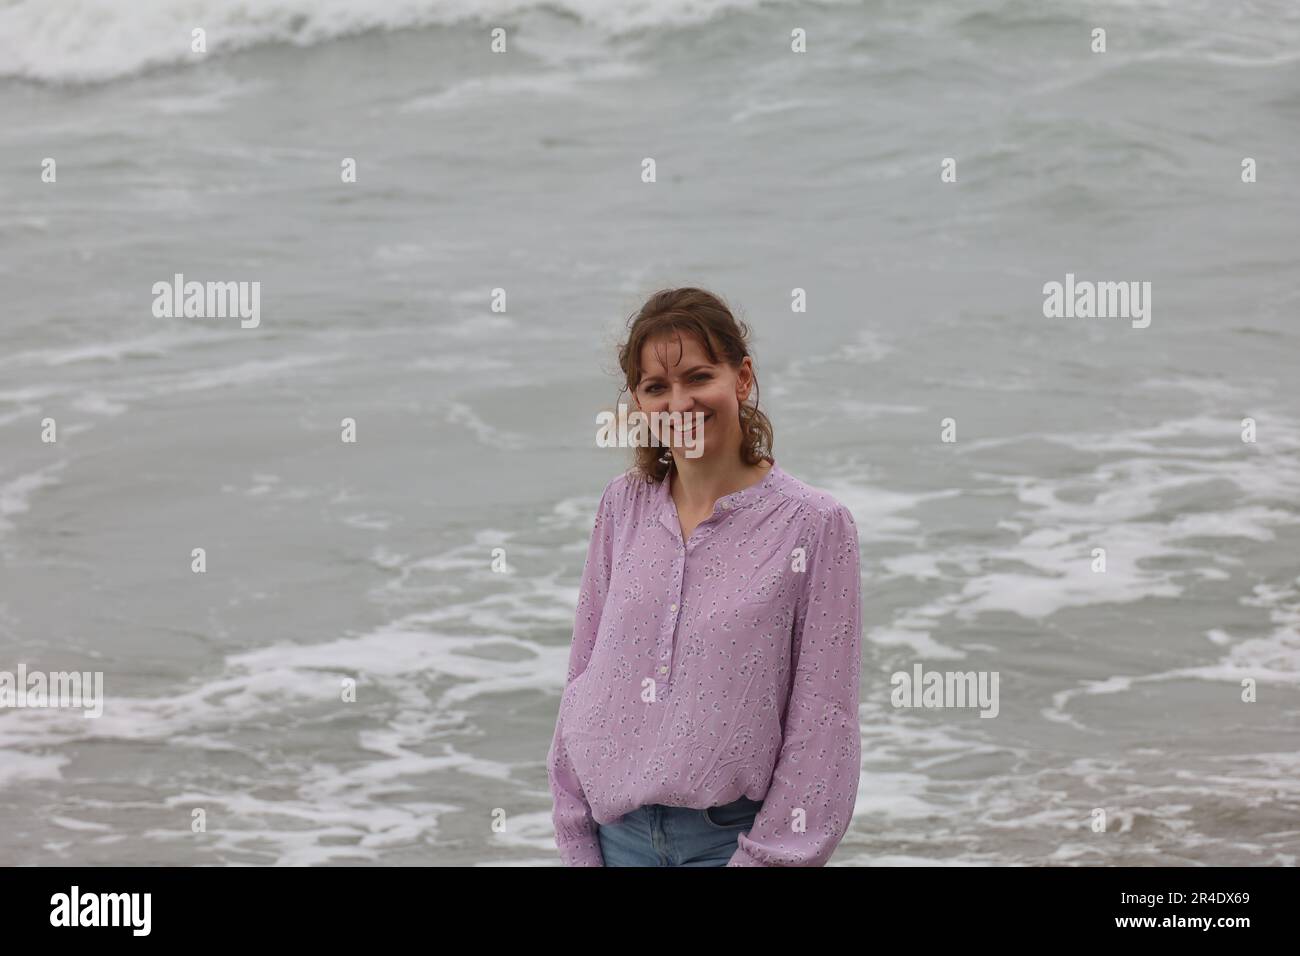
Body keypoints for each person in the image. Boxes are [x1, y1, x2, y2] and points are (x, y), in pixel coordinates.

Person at [547, 288, 863, 866]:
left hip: (732, 844)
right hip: (614, 839)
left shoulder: (815, 525)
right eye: (656, 388)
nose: (679, 403)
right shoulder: (623, 506)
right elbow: (584, 678)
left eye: (698, 377)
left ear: (741, 379)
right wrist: (575, 838)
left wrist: (767, 858)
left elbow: (825, 721)